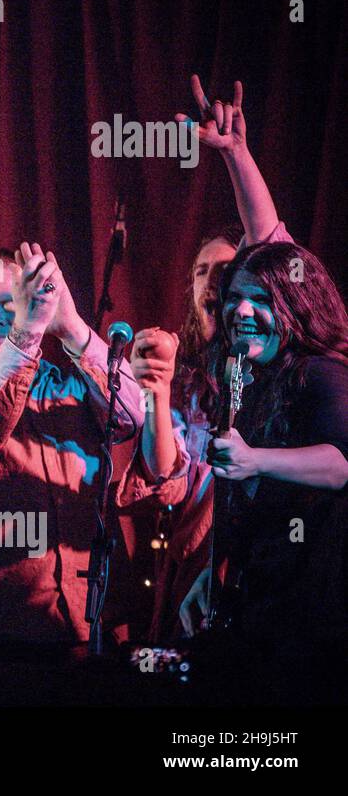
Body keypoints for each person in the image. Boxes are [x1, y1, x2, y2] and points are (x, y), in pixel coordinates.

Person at [0, 241, 162, 669]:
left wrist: (70, 324)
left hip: (93, 625)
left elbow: (132, 415)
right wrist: (26, 332)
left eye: (9, 303)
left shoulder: (68, 384)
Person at [128, 75, 291, 642]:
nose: (213, 282)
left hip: (271, 566)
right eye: (202, 271)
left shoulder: (273, 363)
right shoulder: (192, 381)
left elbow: (270, 239)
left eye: (228, 272)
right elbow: (162, 475)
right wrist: (156, 391)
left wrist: (236, 156)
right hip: (189, 573)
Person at [174, 241, 348, 700]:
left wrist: (254, 459)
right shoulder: (250, 379)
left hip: (314, 615)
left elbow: (341, 464)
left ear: (298, 307)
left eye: (263, 300)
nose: (241, 310)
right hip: (263, 604)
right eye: (235, 298)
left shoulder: (323, 373)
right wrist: (213, 575)